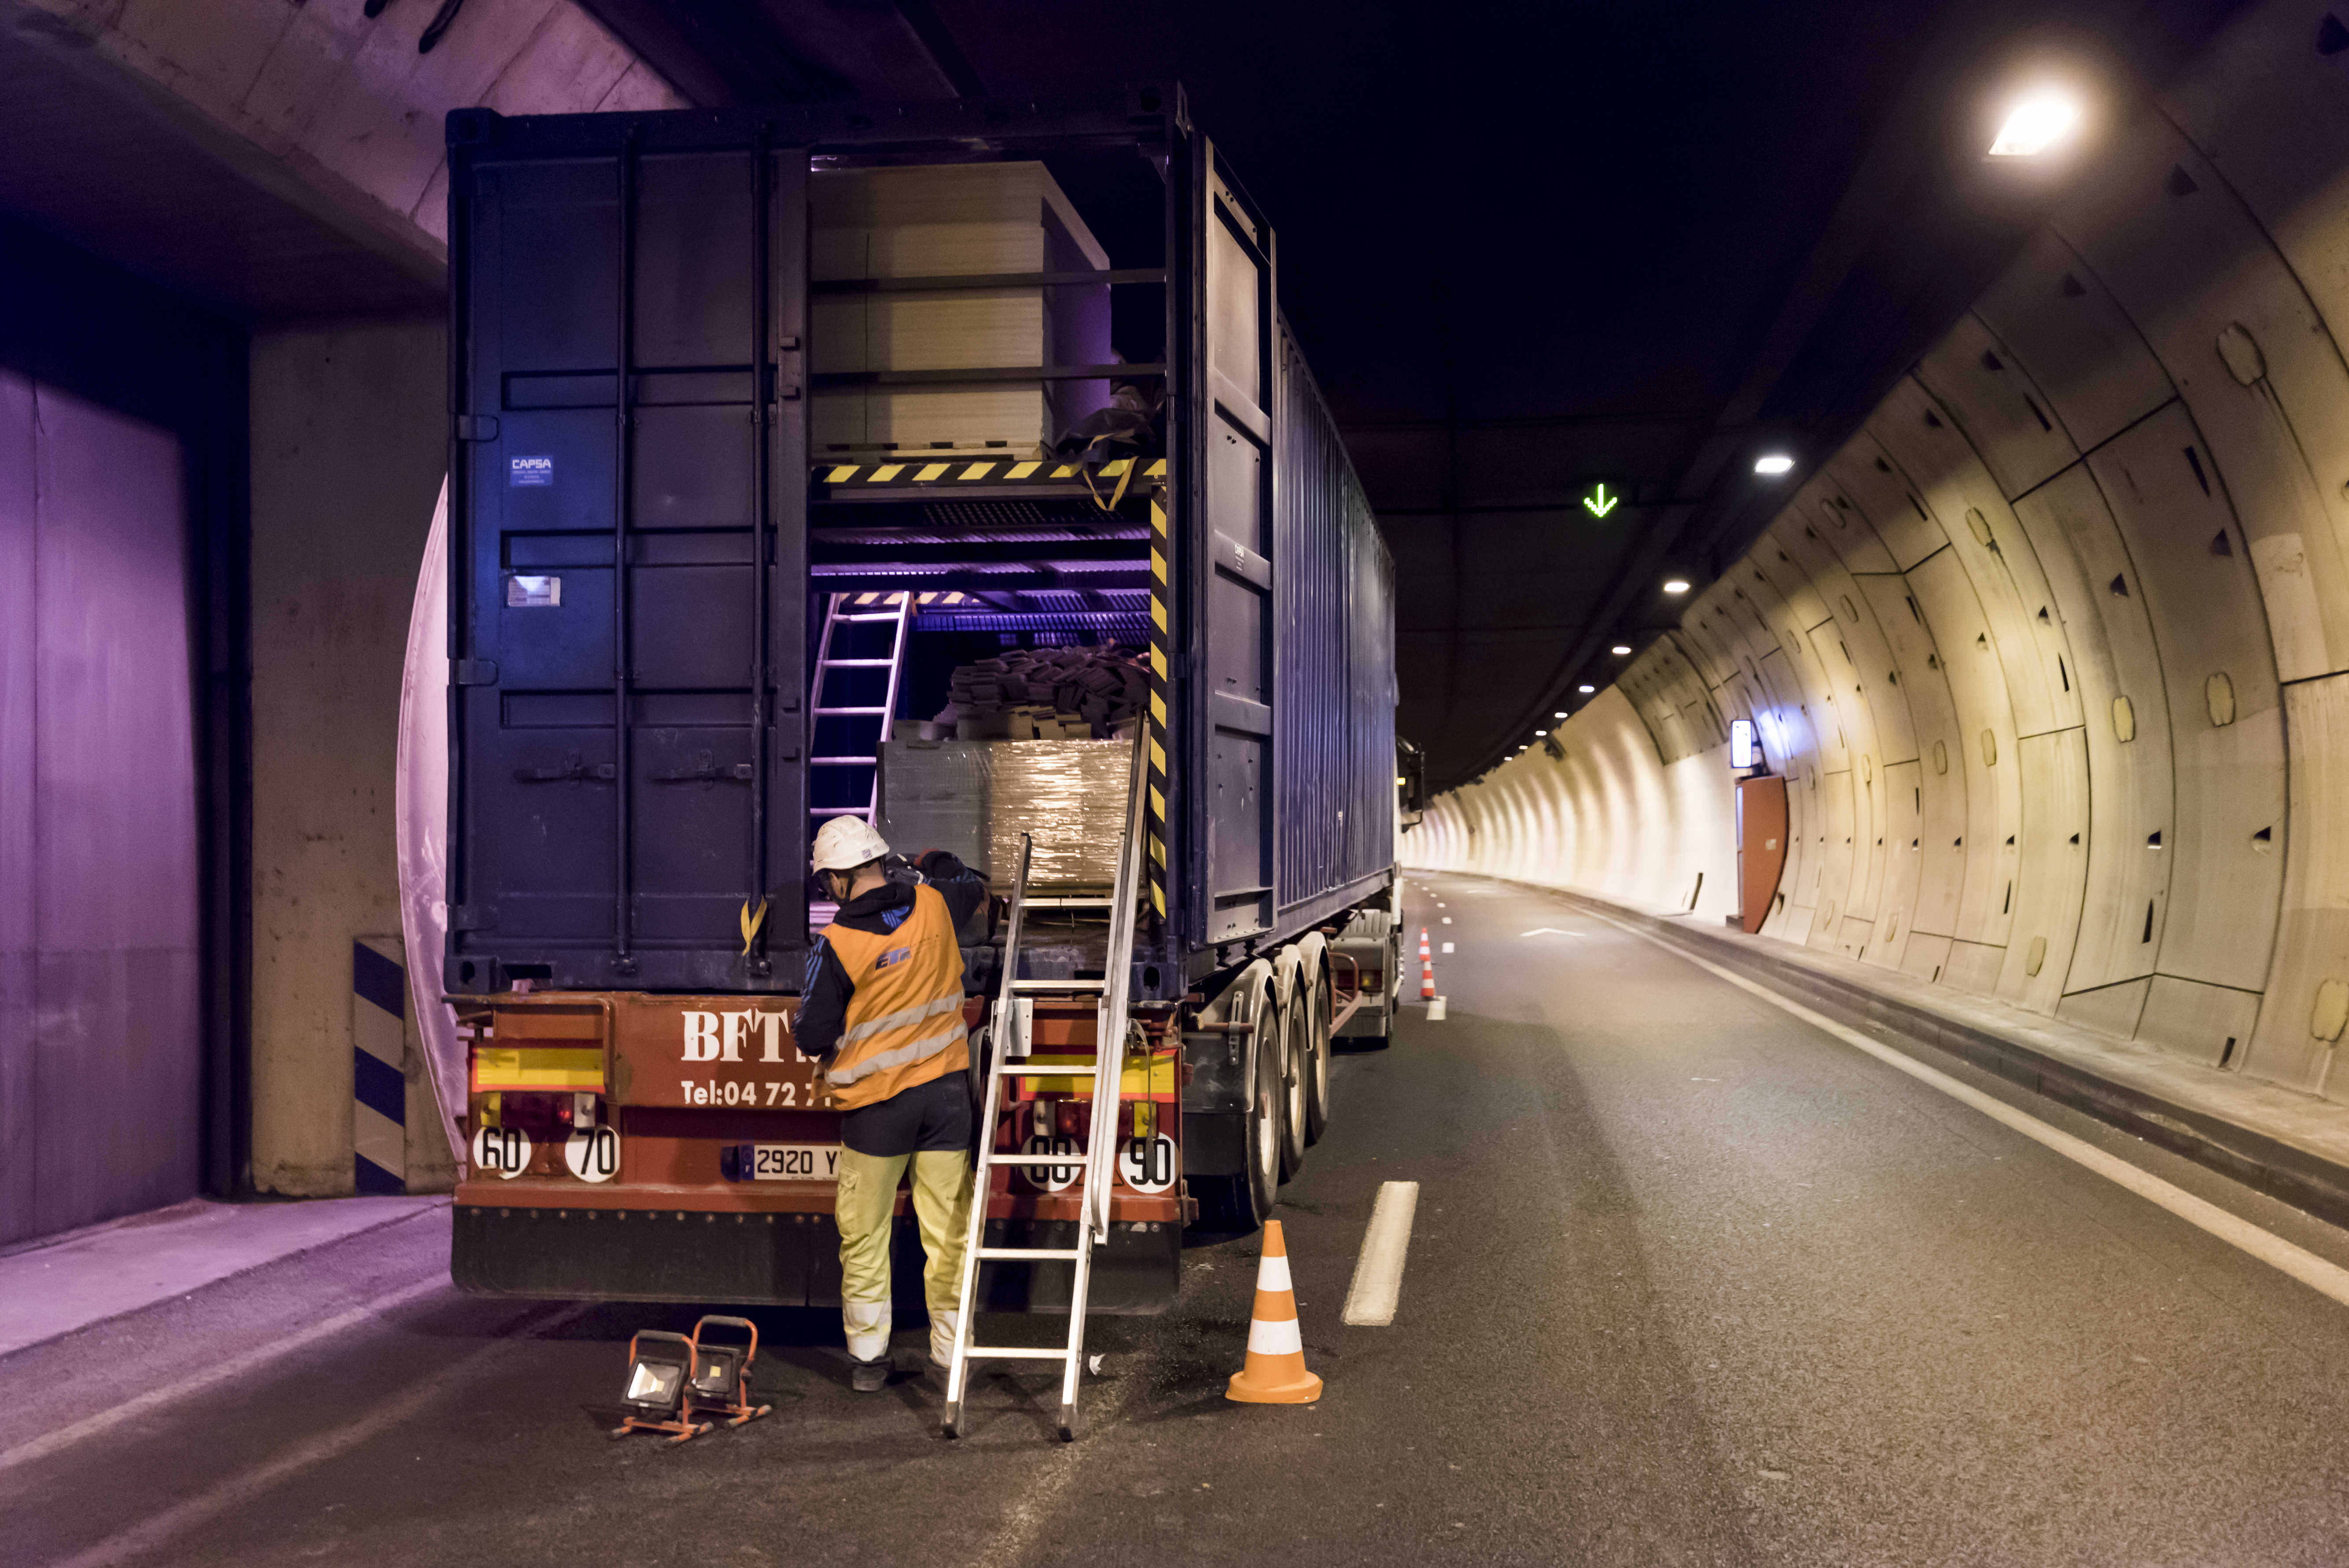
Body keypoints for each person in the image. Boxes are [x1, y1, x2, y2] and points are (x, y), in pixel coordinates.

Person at [796, 816, 988, 1391]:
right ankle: (952, 1355)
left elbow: (810, 1033)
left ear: (837, 879)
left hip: (879, 1110)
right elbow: (972, 884)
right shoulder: (935, 905)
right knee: (948, 1230)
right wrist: (936, 861)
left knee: (865, 1231)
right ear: (882, 862)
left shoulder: (837, 944)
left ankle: (870, 1357)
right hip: (948, 1097)